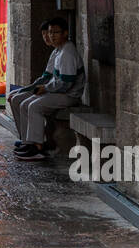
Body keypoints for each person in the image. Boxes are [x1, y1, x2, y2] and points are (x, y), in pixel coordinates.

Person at [9, 17, 85, 161]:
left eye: (55, 32)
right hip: (58, 92)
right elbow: (47, 76)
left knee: (34, 106)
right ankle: (28, 142)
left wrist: (46, 88)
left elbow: (66, 83)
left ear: (65, 33)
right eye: (50, 32)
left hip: (69, 95)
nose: (51, 36)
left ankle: (38, 146)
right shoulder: (58, 50)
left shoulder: (68, 52)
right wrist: (34, 88)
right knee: (24, 102)